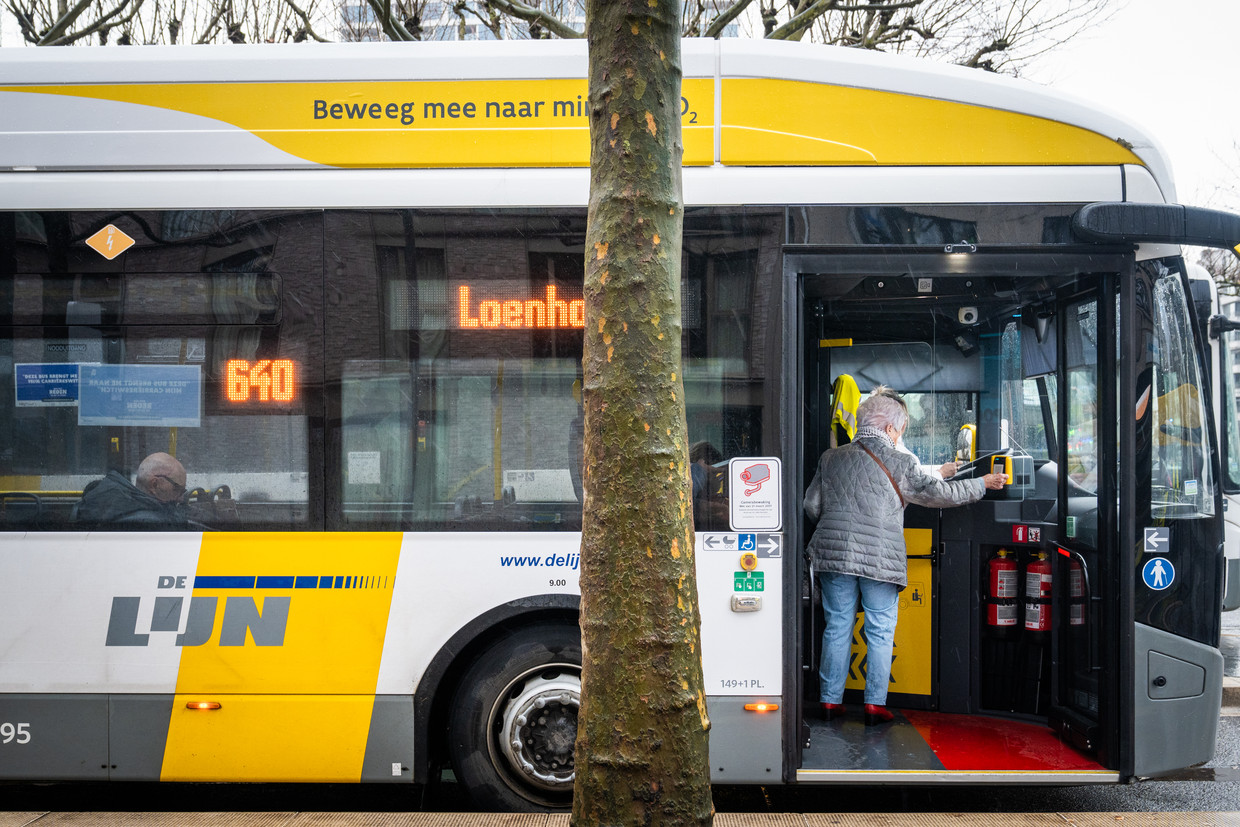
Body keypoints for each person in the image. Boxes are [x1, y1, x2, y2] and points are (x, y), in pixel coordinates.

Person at [803, 389, 1006, 725]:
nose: (900, 435)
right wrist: (981, 483)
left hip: (833, 555)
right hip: (880, 558)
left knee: (837, 626)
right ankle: (873, 705)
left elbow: (811, 506)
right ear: (889, 429)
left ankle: (829, 702)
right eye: (900, 430)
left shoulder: (831, 458)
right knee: (880, 630)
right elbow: (938, 495)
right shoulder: (901, 460)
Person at [74, 452, 191, 527]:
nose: (181, 498)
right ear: (154, 485)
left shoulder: (116, 503)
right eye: (177, 488)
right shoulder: (151, 523)